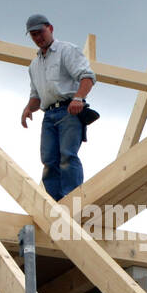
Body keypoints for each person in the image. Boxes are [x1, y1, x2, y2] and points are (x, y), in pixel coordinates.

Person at [19, 14, 97, 200]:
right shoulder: (34, 65)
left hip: (69, 111)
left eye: (40, 32)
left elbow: (87, 77)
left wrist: (78, 98)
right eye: (34, 35)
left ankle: (72, 198)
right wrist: (28, 108)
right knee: (49, 161)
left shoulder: (66, 51)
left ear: (50, 28)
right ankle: (56, 201)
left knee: (67, 156)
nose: (38, 38)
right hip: (49, 114)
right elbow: (36, 96)